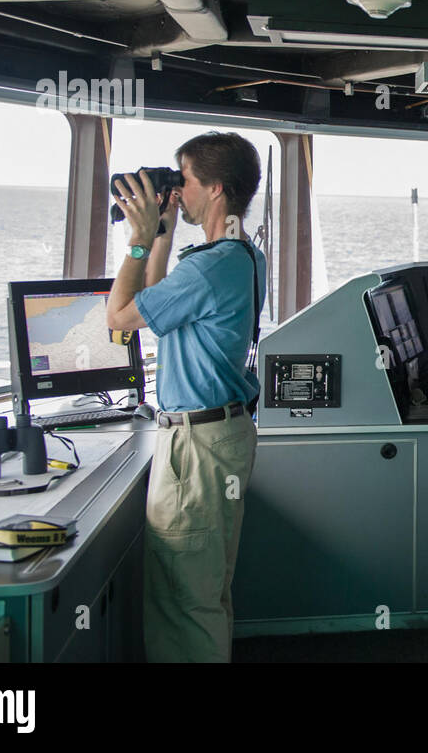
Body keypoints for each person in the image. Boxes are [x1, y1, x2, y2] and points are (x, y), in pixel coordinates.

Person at [107, 131, 266, 663]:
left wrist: (137, 236)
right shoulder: (240, 256)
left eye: (186, 181)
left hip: (195, 448)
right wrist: (165, 228)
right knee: (206, 590)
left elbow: (121, 318)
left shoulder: (208, 267)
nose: (181, 191)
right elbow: (156, 298)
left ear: (216, 189)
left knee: (184, 598)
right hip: (223, 434)